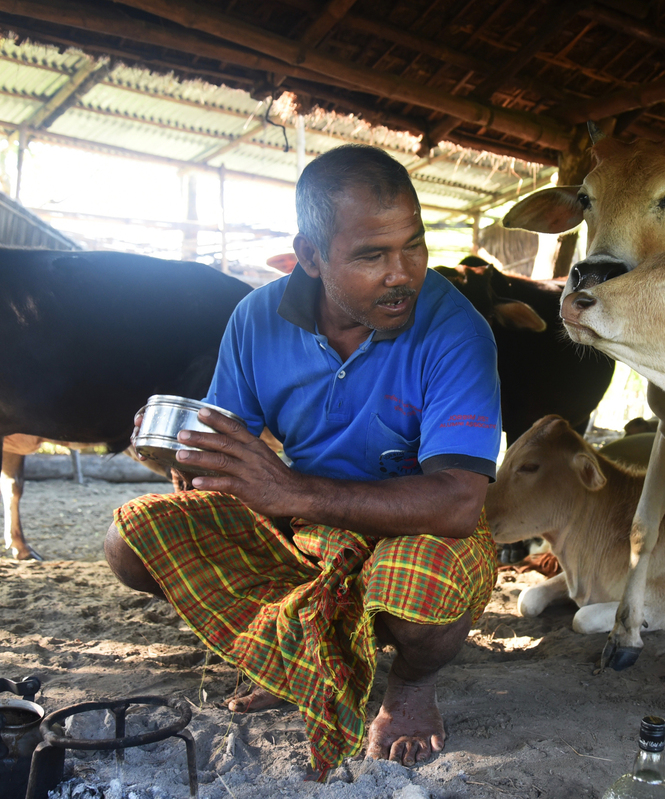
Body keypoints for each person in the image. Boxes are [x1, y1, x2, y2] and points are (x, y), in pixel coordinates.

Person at [104, 144, 502, 774]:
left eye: (414, 245)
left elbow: (458, 501)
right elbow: (225, 461)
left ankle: (410, 686)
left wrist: (293, 490)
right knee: (132, 539)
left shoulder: (456, 329)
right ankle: (292, 655)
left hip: (416, 527)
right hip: (304, 531)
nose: (403, 273)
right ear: (311, 257)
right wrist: (175, 453)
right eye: (371, 255)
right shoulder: (256, 319)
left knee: (420, 581)